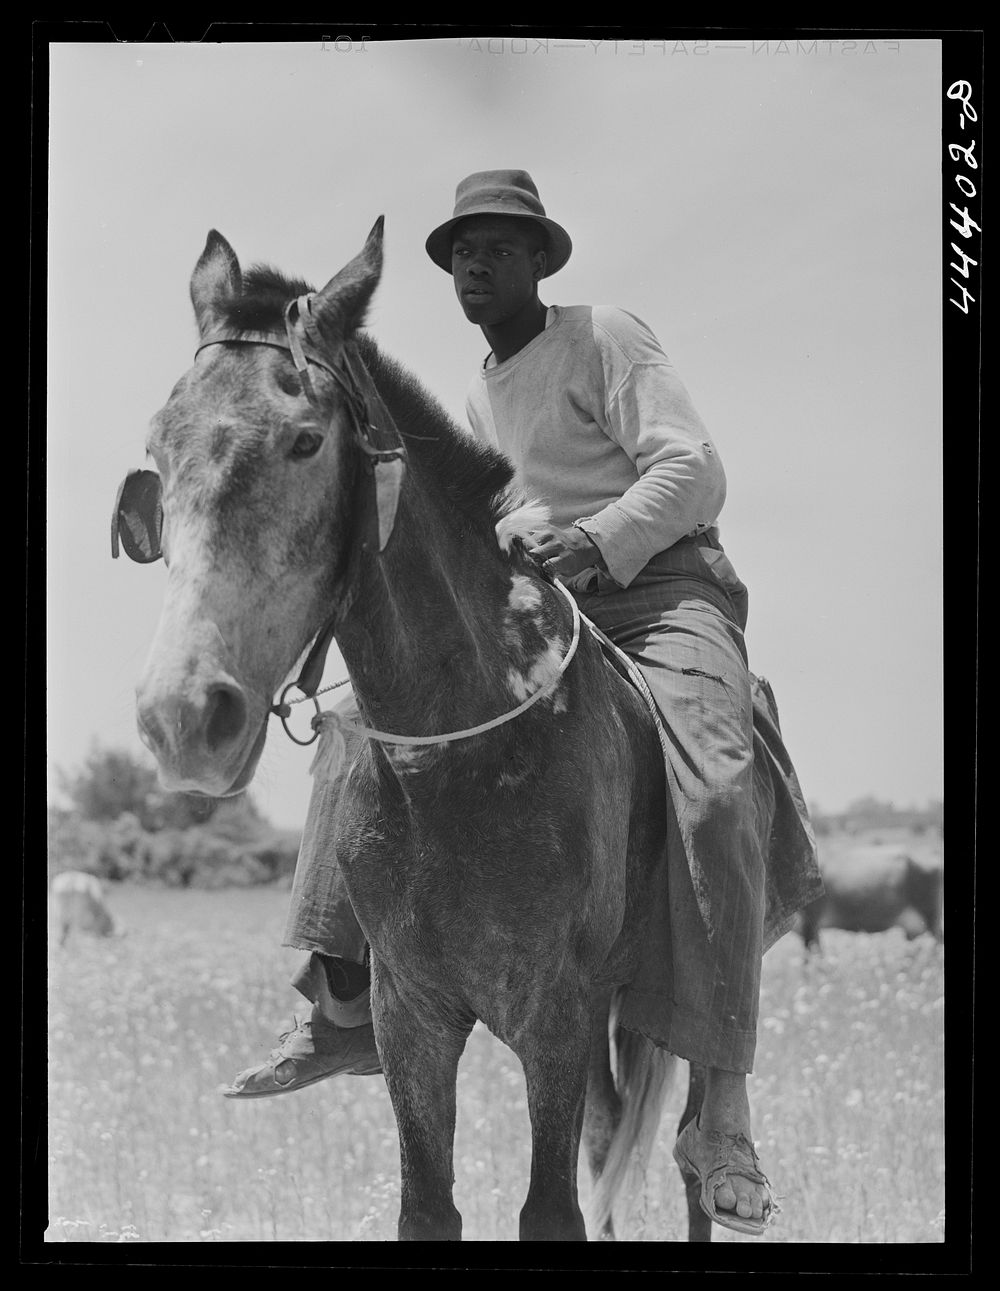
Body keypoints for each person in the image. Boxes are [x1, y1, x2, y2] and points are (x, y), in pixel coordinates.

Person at [225, 170, 822, 1237]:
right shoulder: (475, 393)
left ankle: (721, 1104)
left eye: (500, 247)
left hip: (660, 589)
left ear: (542, 260)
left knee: (719, 786)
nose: (474, 265)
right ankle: (343, 999)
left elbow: (691, 466)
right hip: (546, 598)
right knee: (364, 718)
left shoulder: (606, 337)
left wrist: (596, 541)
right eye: (460, 250)